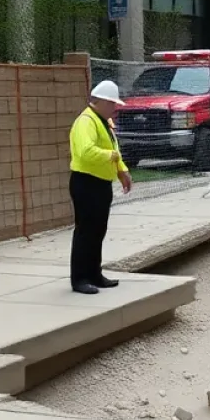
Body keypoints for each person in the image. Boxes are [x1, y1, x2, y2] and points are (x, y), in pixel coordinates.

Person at [68, 79, 132, 294]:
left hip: (101, 183)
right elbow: (86, 151)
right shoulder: (86, 121)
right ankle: (79, 278)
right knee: (86, 231)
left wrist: (121, 170)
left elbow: (113, 148)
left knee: (98, 231)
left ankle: (94, 273)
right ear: (102, 102)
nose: (115, 108)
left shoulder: (103, 122)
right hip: (86, 182)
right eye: (113, 104)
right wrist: (111, 156)